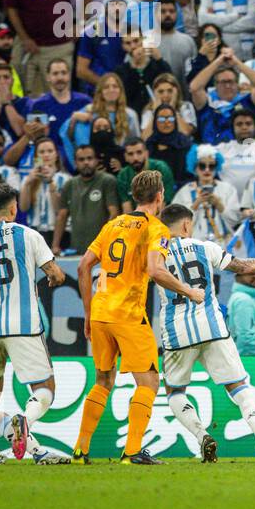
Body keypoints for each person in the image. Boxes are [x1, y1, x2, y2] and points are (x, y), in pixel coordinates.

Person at [74, 170, 205, 465]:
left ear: (134, 196)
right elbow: (156, 271)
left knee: (103, 380)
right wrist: (189, 291)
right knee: (148, 382)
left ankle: (80, 450)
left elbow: (83, 267)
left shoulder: (112, 225)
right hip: (129, 314)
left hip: (100, 312)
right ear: (160, 196)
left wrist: (87, 312)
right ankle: (132, 451)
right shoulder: (156, 229)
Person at [155, 203, 255, 463]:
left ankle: (202, 436)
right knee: (240, 386)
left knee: (175, 391)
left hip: (176, 332)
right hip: (212, 327)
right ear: (187, 225)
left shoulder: (154, 255)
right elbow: (244, 266)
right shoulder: (204, 247)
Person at [0, 182, 69, 463]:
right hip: (24, 325)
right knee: (45, 389)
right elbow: (53, 273)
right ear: (13, 208)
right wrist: (57, 278)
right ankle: (24, 419)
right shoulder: (29, 236)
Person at [3, 0, 90, 97]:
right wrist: (24, 38)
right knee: (29, 96)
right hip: (29, 47)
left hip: (59, 46)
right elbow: (11, 9)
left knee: (60, 94)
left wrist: (80, 24)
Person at [56, 144, 120, 253]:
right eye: (81, 159)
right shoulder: (69, 184)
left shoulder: (107, 181)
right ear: (75, 162)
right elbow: (62, 216)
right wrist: (55, 245)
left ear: (96, 161)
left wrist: (103, 242)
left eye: (89, 158)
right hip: (76, 247)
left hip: (102, 248)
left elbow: (114, 214)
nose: (86, 162)